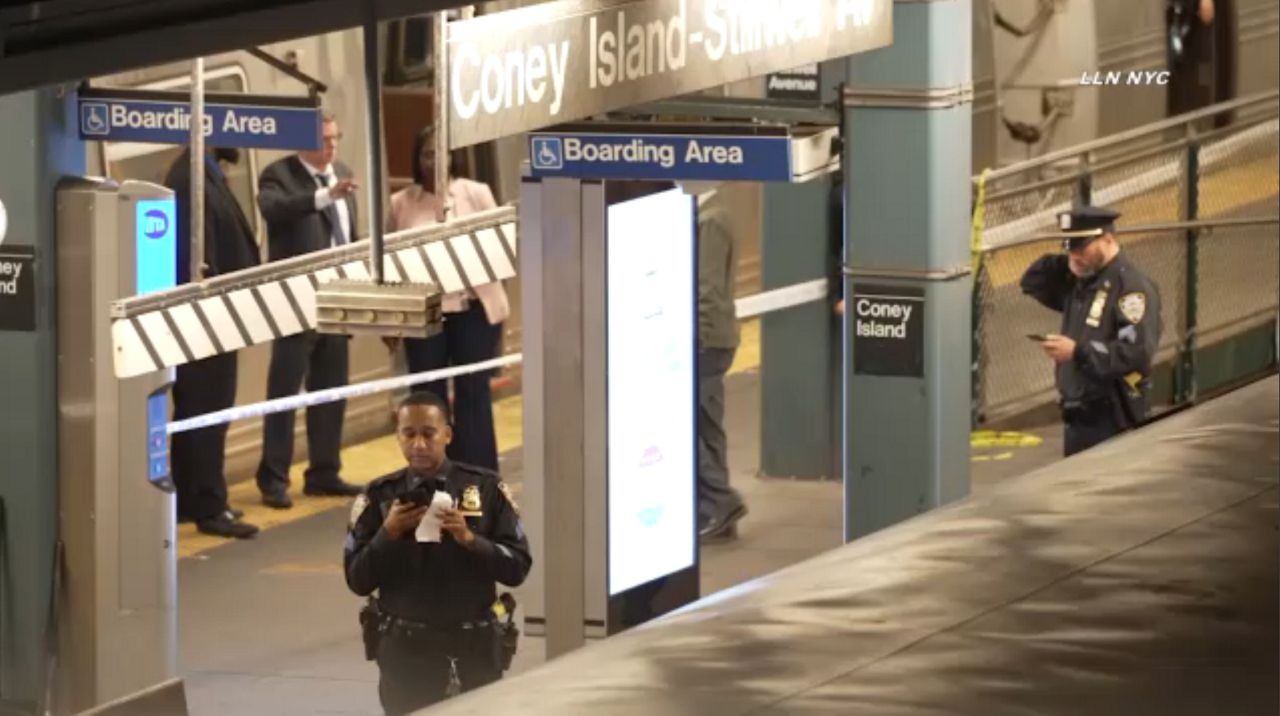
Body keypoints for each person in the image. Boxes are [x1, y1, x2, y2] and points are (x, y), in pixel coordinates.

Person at [345, 391, 530, 714]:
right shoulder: (379, 497)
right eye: (408, 434)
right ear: (397, 436)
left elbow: (518, 567)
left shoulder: (485, 489)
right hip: (407, 652)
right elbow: (357, 579)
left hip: (474, 648)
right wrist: (387, 534)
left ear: (447, 435)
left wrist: (470, 539)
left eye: (428, 434)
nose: (418, 444)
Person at [255, 111, 361, 508]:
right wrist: (324, 197)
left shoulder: (343, 172)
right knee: (284, 393)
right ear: (303, 141)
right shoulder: (278, 175)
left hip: (337, 300)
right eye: (325, 140)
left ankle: (324, 472)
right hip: (295, 305)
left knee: (331, 389)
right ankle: (273, 478)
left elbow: (351, 237)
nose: (332, 146)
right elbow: (274, 209)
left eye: (336, 138)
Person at [387, 126, 509, 471]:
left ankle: (478, 473)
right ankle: (433, 472)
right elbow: (389, 265)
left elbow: (499, 249)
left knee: (474, 392)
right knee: (428, 395)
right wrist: (390, 321)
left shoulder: (476, 193)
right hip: (425, 314)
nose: (435, 161)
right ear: (417, 159)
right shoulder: (401, 204)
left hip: (472, 309)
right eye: (427, 154)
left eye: (441, 153)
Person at [165, 146, 260, 539]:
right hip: (209, 320)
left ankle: (189, 500)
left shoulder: (203, 173)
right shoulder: (191, 178)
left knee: (198, 411)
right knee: (209, 411)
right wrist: (215, 311)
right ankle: (209, 504)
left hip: (215, 317)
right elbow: (197, 254)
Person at [1020, 206, 1163, 457]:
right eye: (1070, 249)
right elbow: (1032, 280)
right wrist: (1072, 260)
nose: (1075, 256)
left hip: (1113, 417)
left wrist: (1078, 352)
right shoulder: (1081, 283)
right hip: (1077, 420)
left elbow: (1135, 353)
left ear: (1107, 239)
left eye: (1081, 248)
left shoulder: (1130, 288)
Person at [693, 184, 748, 541]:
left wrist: (697, 338)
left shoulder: (710, 220)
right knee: (706, 423)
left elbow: (708, 288)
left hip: (707, 341)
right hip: (715, 338)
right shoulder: (712, 215)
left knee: (696, 425)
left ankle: (721, 501)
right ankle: (715, 511)